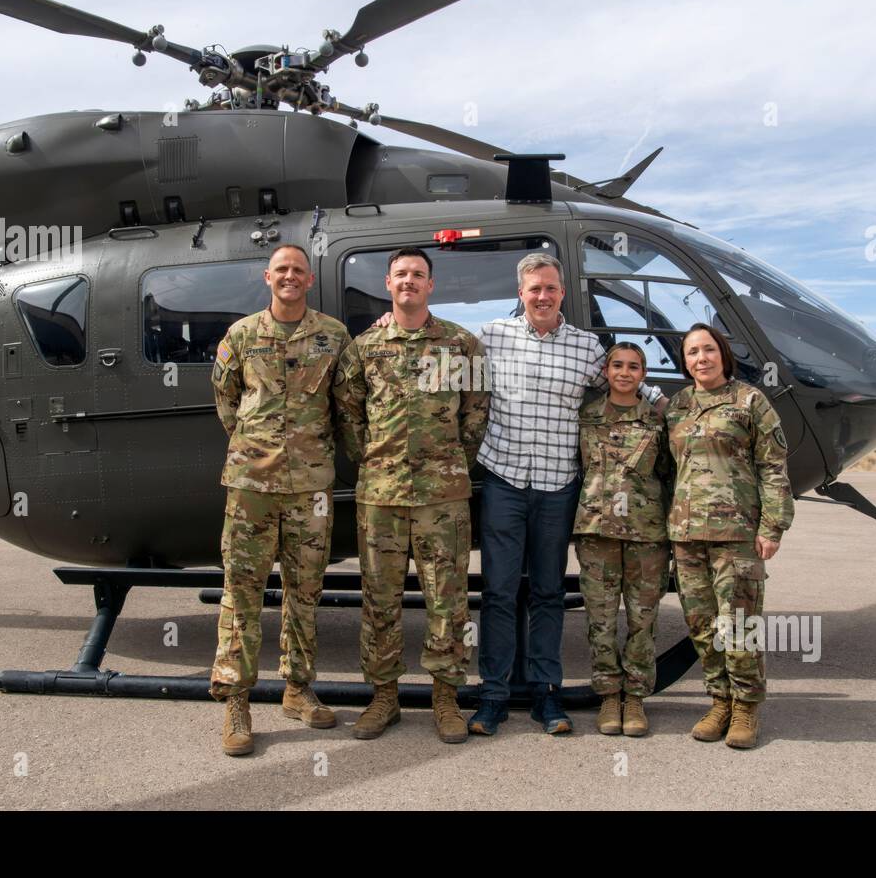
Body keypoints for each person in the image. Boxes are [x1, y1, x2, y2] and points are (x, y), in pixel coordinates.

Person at [468, 253, 666, 737]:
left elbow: (626, 380)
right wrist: (389, 316)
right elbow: (442, 364)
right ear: (521, 292)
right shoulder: (490, 337)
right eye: (534, 288)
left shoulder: (586, 348)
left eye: (551, 288)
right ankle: (492, 695)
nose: (542, 296)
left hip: (559, 486)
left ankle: (545, 693)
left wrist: (676, 405)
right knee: (497, 592)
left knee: (549, 593)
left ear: (562, 293)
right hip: (503, 481)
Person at [333, 247, 490, 744]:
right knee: (381, 599)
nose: (409, 282)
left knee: (448, 600)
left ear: (431, 285)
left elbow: (477, 412)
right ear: (388, 283)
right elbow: (348, 414)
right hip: (380, 494)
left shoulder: (463, 344)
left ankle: (446, 699)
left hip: (442, 497)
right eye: (401, 275)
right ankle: (384, 697)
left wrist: (449, 462)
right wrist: (375, 460)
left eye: (417, 275)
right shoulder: (364, 347)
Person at [209, 244, 350, 757]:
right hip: (251, 486)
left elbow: (346, 404)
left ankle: (297, 689)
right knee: (241, 591)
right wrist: (255, 445)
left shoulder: (333, 336)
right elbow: (226, 399)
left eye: (298, 270)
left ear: (309, 279)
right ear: (268, 276)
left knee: (305, 590)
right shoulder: (242, 335)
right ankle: (236, 701)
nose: (290, 276)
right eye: (281, 269)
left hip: (310, 487)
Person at [665, 322, 793, 749]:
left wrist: (772, 527)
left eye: (707, 350)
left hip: (736, 534)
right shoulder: (678, 406)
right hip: (686, 536)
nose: (701, 359)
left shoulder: (750, 401)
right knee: (701, 626)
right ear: (685, 362)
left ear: (722, 353)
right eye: (692, 353)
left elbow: (773, 467)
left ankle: (746, 708)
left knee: (739, 625)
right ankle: (719, 700)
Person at [573, 343, 672, 737]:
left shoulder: (659, 420)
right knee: (599, 619)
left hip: (646, 533)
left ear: (643, 374)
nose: (625, 372)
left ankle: (635, 698)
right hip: (596, 533)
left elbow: (667, 472)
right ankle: (608, 696)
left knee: (642, 620)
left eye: (633, 366)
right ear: (606, 370)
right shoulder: (585, 417)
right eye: (617, 365)